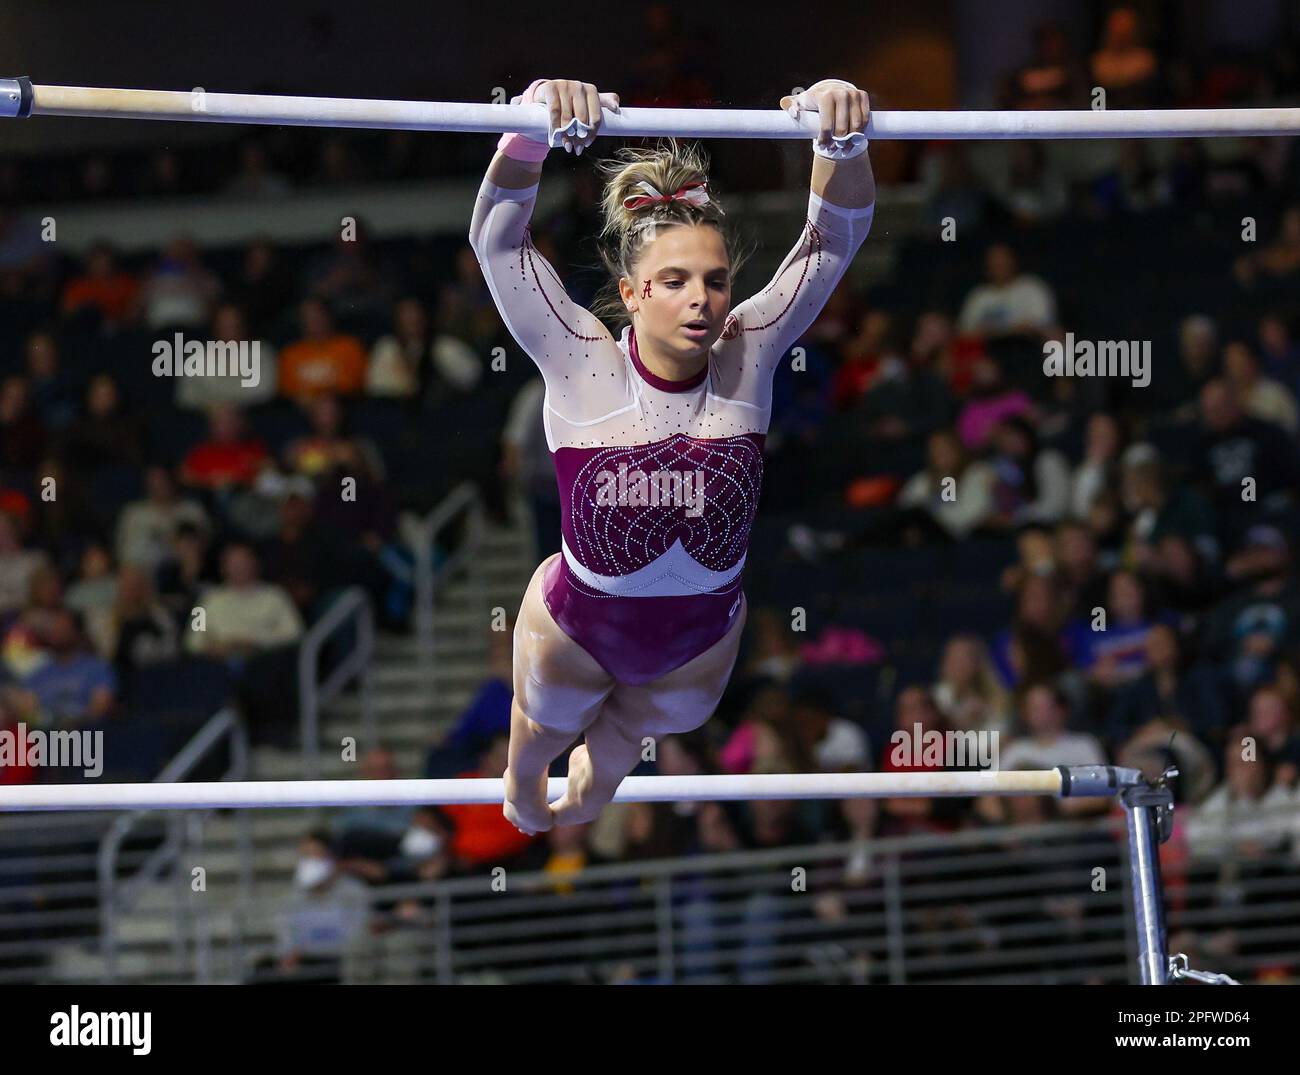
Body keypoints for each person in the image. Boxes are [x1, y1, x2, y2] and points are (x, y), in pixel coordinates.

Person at [469, 77, 875, 834]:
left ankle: (592, 770)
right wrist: (527, 127)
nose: (703, 300)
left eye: (717, 281)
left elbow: (832, 240)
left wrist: (840, 139)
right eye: (676, 281)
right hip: (576, 627)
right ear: (631, 290)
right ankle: (523, 768)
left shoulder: (748, 350)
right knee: (540, 763)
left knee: (600, 786)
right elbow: (498, 241)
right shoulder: (580, 358)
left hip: (698, 647)